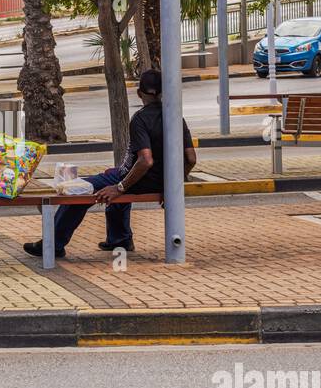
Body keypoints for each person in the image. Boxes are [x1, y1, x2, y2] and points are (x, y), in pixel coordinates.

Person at [25, 69, 195, 259]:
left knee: (79, 190)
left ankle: (53, 244)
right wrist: (171, 186)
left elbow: (145, 161)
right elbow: (191, 159)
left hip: (138, 180)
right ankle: (119, 239)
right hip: (159, 182)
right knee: (111, 175)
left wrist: (120, 187)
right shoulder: (176, 118)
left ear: (139, 93)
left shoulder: (140, 118)